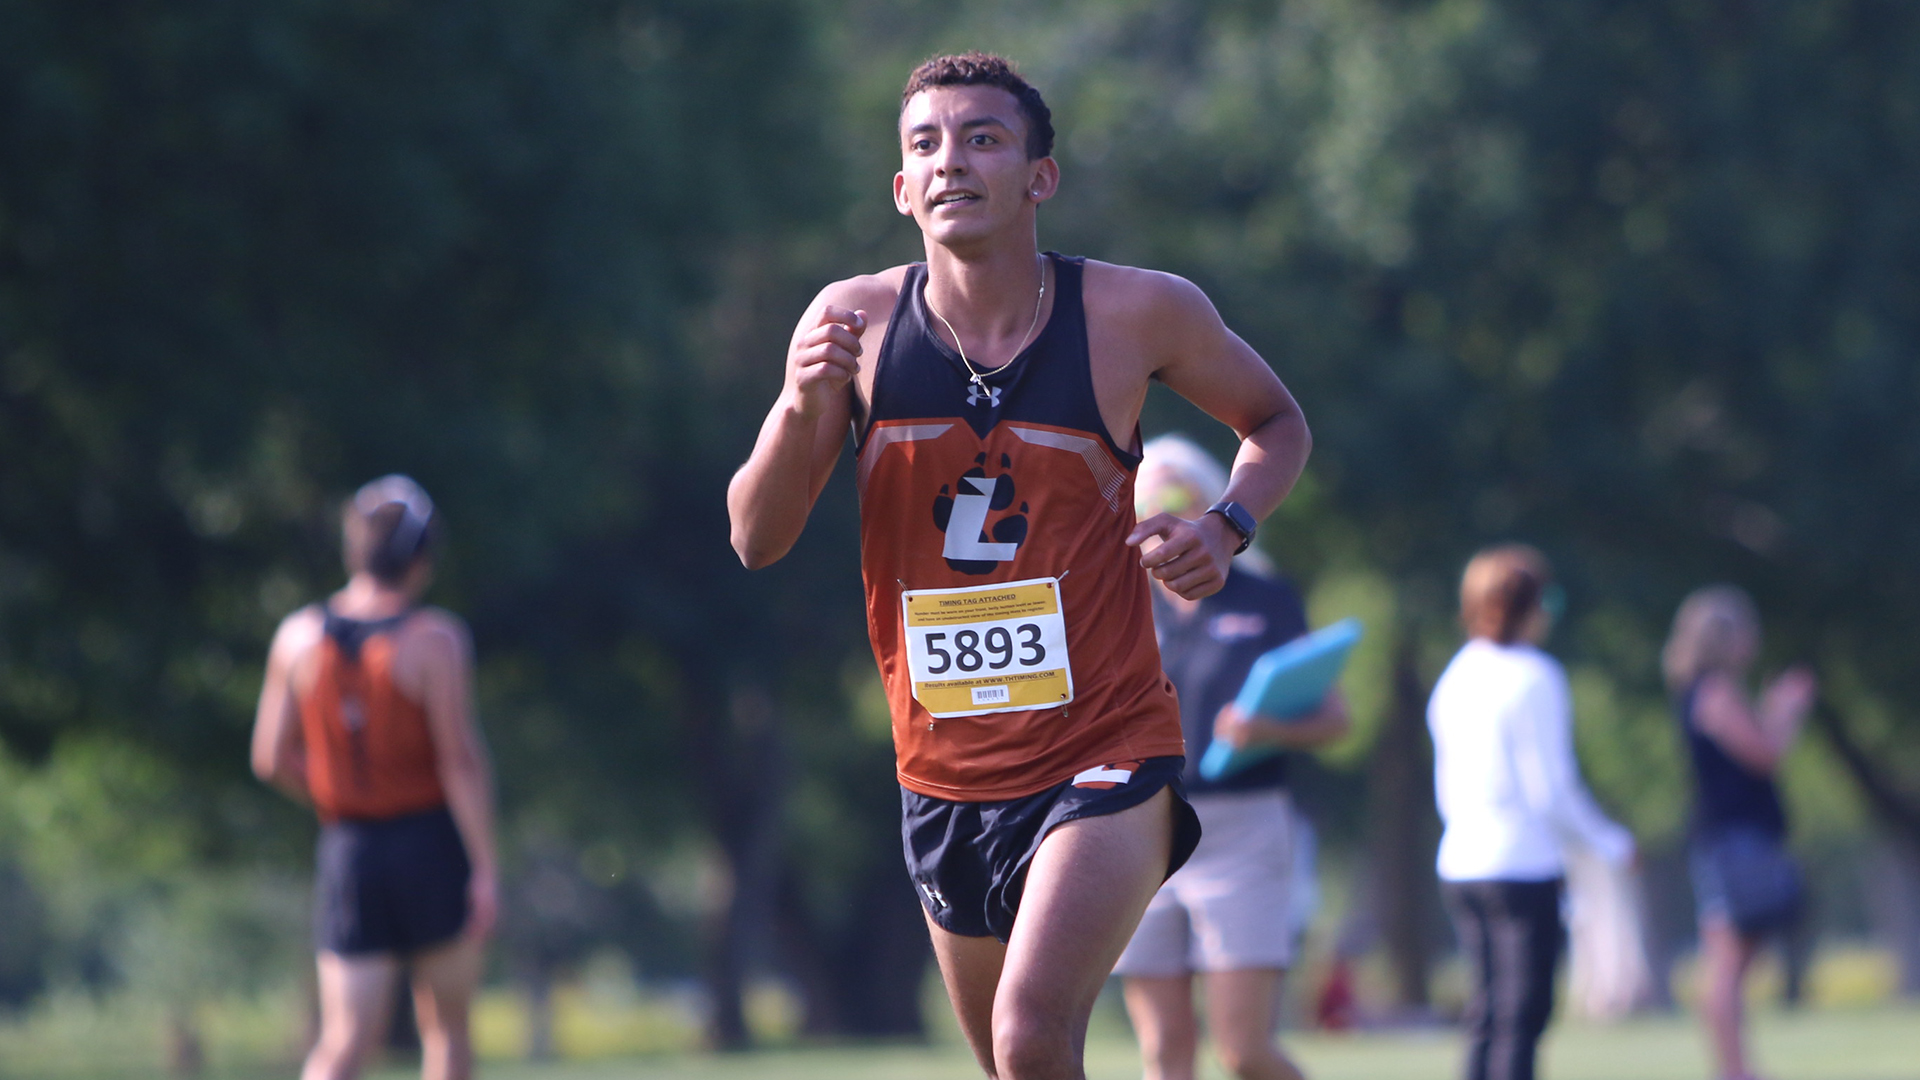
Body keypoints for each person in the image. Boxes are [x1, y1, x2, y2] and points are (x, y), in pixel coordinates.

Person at [726, 53, 1311, 1080]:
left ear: (1041, 176)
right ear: (902, 190)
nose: (952, 161)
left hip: (1106, 743)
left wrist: (1225, 526)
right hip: (942, 769)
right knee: (1014, 1068)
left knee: (1031, 1034)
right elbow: (756, 538)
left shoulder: (1136, 314)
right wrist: (798, 408)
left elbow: (1275, 421)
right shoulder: (851, 328)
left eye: (983, 138)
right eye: (925, 145)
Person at [1113, 435, 1349, 1080]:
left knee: (1243, 1052)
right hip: (1138, 829)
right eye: (1148, 484)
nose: (1161, 497)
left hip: (1244, 828)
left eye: (1174, 483)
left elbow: (1335, 717)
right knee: (1164, 1055)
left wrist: (1268, 727)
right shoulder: (1113, 595)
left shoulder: (1263, 595)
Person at [251, 475, 498, 1080]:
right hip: (431, 842)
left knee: (344, 1039)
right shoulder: (435, 640)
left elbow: (270, 757)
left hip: (350, 849)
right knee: (446, 1032)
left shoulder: (297, 636)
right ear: (421, 558)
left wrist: (340, 790)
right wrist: (486, 867)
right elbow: (459, 762)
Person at [1427, 545, 1635, 1080]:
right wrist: (1610, 842)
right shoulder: (1535, 676)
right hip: (1521, 864)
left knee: (1487, 1012)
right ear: (1532, 608)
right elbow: (1551, 789)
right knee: (1523, 1015)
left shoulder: (1455, 676)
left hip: (1462, 862)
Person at [1663, 586, 1816, 1080]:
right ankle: (1734, 1071)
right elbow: (1764, 754)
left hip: (1735, 839)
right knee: (1727, 965)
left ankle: (1737, 1068)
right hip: (1732, 841)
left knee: (1736, 961)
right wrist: (1785, 708)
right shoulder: (1715, 692)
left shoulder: (1709, 690)